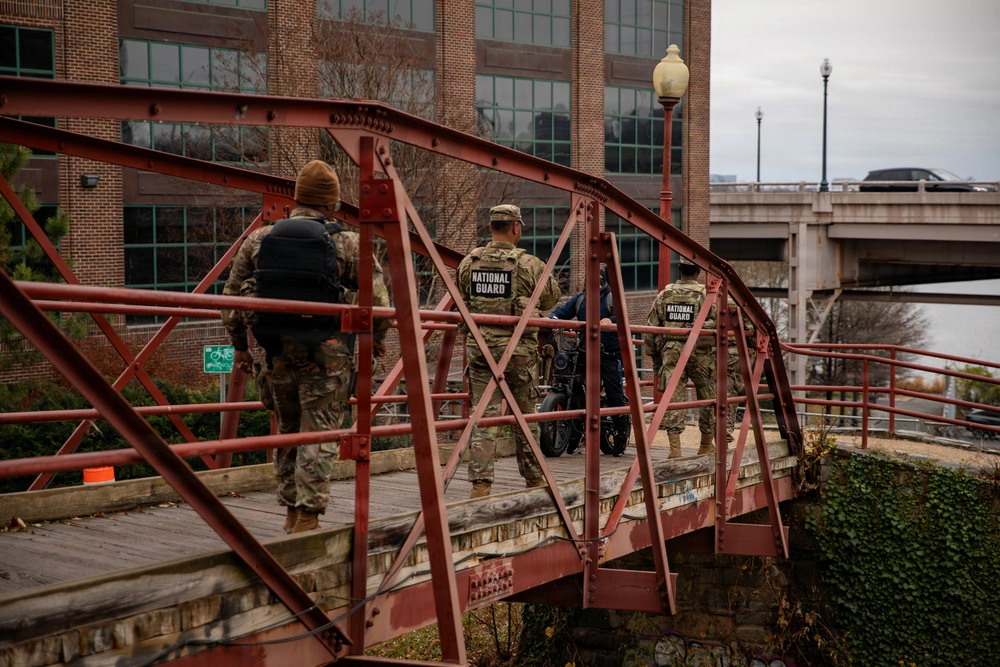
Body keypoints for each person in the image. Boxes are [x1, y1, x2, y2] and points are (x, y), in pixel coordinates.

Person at [222, 160, 390, 533]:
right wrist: (376, 340)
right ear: (331, 203)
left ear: (296, 197)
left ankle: (290, 513)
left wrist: (240, 348)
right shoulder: (346, 241)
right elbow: (380, 302)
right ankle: (308, 518)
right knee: (320, 433)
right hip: (328, 356)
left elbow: (231, 302)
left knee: (289, 431)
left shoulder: (259, 239)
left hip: (276, 353)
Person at [457, 204, 561, 498]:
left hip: (480, 353)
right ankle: (533, 479)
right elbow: (552, 297)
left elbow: (461, 297)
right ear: (516, 227)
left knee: (484, 417)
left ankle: (480, 485)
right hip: (519, 355)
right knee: (525, 416)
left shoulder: (469, 263)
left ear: (490, 227)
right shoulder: (529, 264)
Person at [547, 268, 630, 453]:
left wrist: (611, 320)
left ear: (604, 282)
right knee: (574, 383)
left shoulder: (612, 299)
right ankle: (574, 432)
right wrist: (551, 319)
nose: (592, 284)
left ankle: (621, 433)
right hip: (584, 351)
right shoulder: (580, 300)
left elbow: (623, 318)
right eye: (589, 281)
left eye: (598, 281)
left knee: (614, 394)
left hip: (609, 353)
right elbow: (562, 312)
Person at [643, 256, 717, 459]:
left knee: (673, 400)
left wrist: (656, 361)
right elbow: (720, 324)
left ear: (679, 270)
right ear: (698, 273)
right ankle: (705, 445)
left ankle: (675, 450)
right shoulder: (706, 295)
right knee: (709, 399)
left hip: (672, 351)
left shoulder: (665, 295)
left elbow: (650, 330)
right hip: (701, 354)